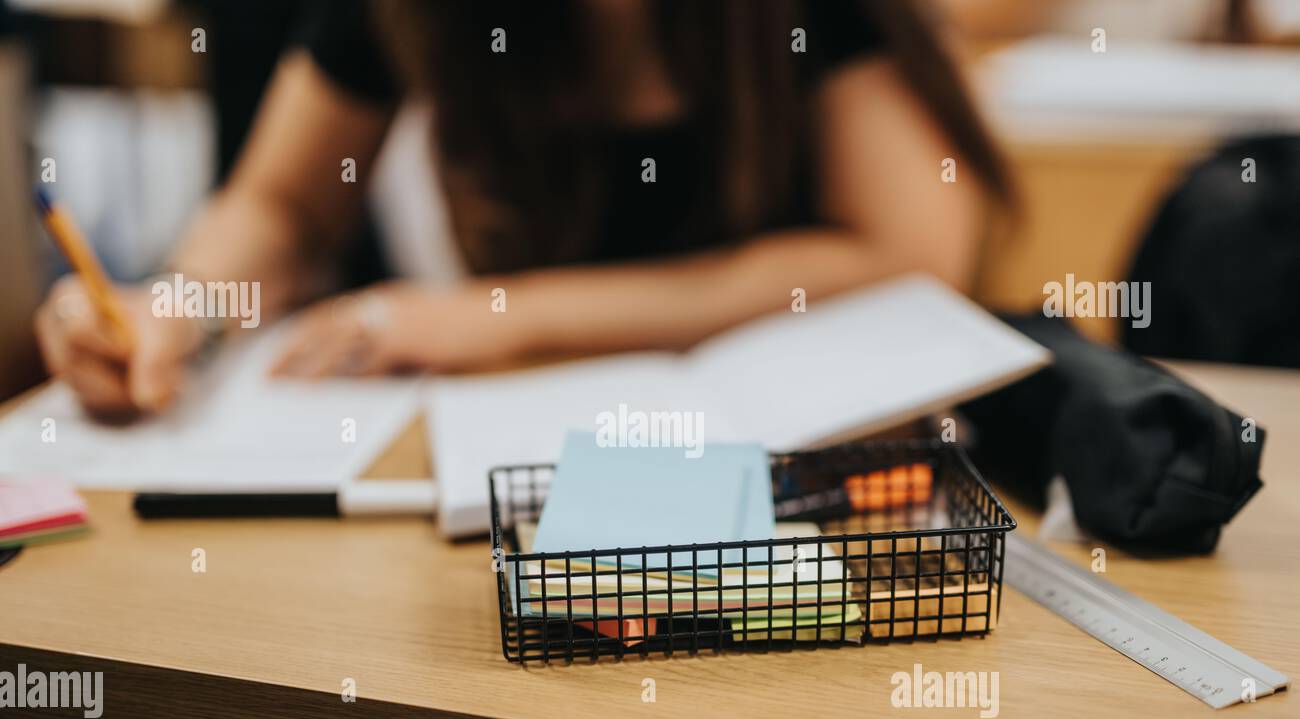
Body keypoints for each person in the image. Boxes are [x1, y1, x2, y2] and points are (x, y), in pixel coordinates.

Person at [35, 0, 1012, 418]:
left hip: (822, 441)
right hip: (527, 450)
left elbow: (911, 248)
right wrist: (183, 301)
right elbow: (285, 205)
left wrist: (501, 314)